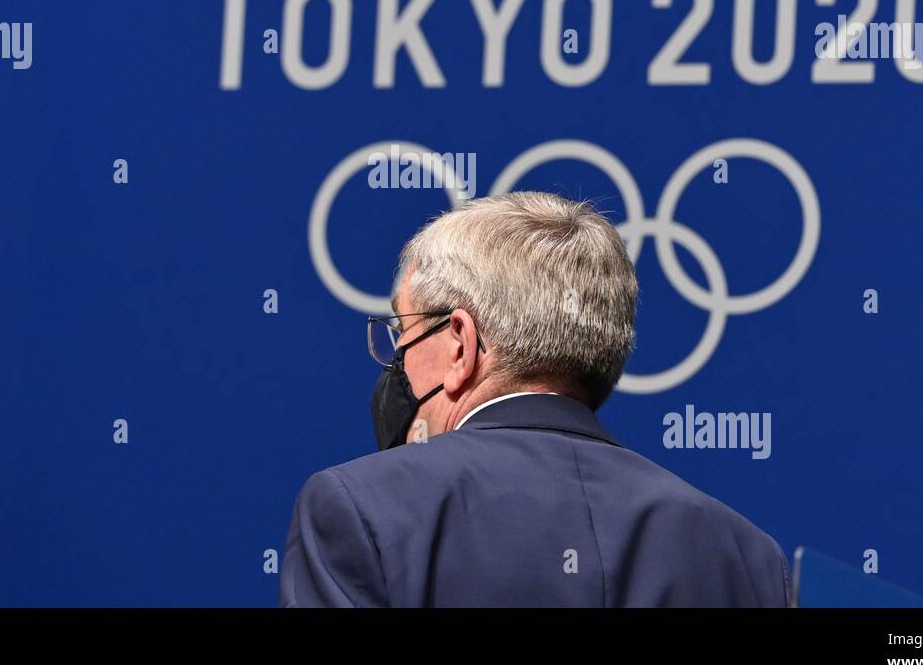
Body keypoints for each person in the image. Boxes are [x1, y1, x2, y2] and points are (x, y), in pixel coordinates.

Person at [279, 191, 790, 607]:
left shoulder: (361, 509)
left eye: (404, 330)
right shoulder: (747, 558)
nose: (399, 361)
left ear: (460, 342)